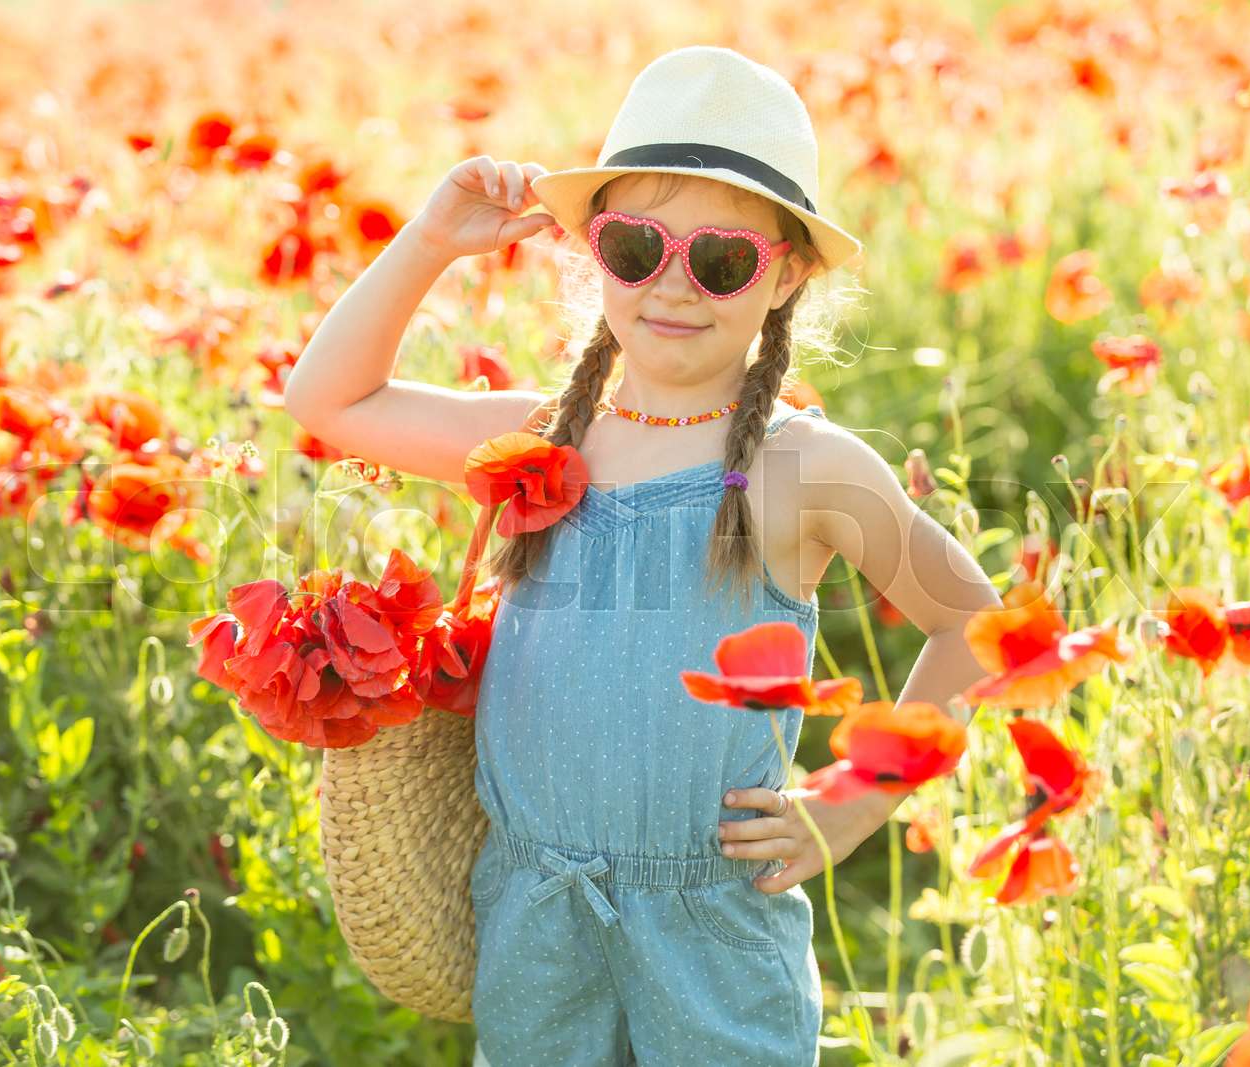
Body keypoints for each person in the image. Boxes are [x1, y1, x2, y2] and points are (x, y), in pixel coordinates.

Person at [284, 44, 1001, 1067]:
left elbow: (973, 623)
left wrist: (847, 808)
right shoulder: (539, 437)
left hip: (714, 935)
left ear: (785, 272)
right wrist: (432, 240)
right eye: (633, 247)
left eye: (720, 261)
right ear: (594, 252)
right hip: (536, 922)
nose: (671, 285)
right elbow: (327, 400)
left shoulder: (800, 467)